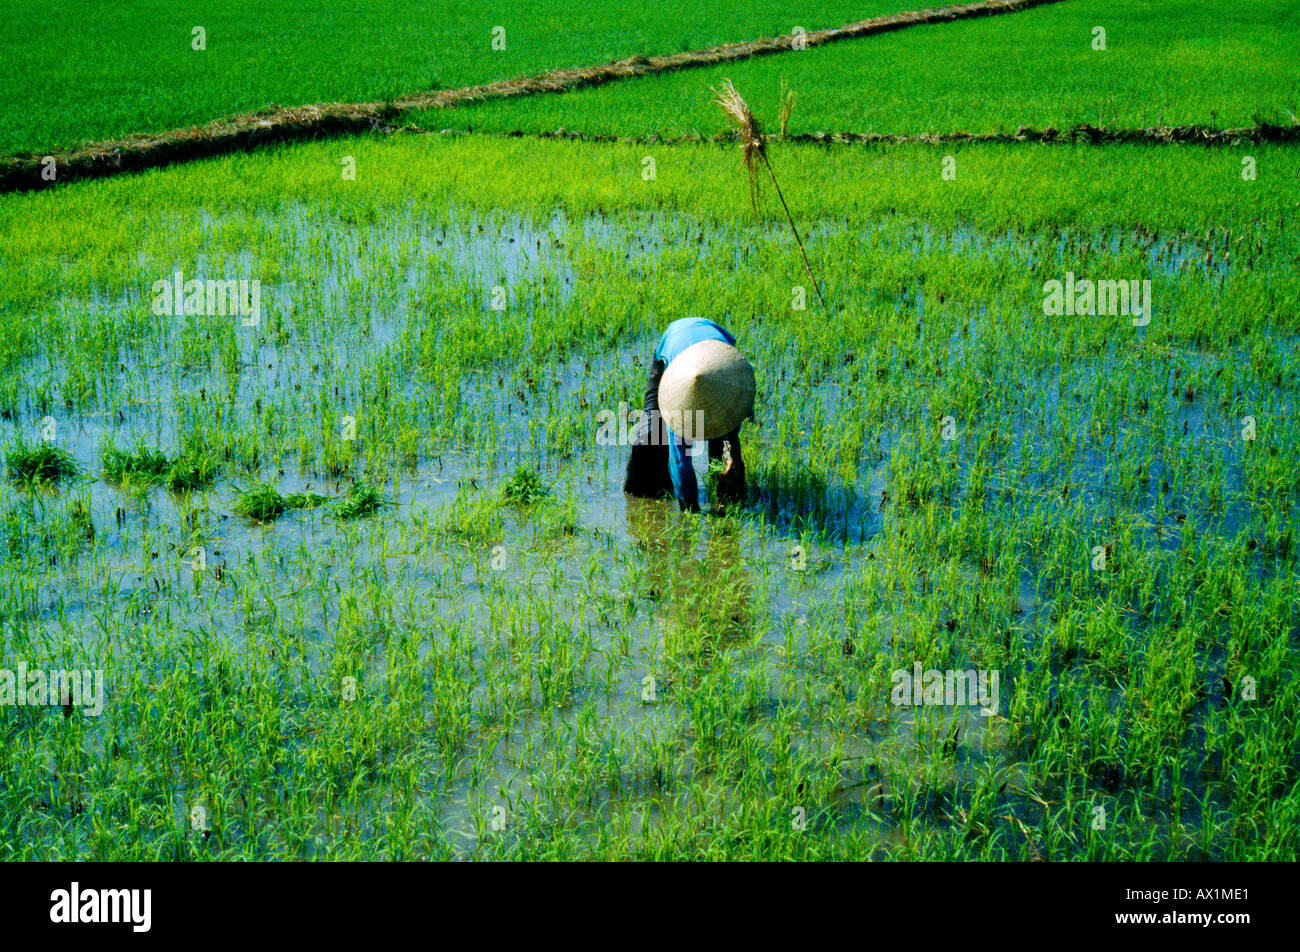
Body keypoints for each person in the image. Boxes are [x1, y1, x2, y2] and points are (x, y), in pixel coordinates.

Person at [623, 317, 755, 512]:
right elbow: (680, 462)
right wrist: (690, 507)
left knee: (722, 434)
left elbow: (739, 407)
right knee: (654, 428)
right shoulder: (678, 402)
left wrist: (731, 452)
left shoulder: (733, 377)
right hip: (674, 344)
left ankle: (721, 487)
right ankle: (647, 484)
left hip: (716, 353)